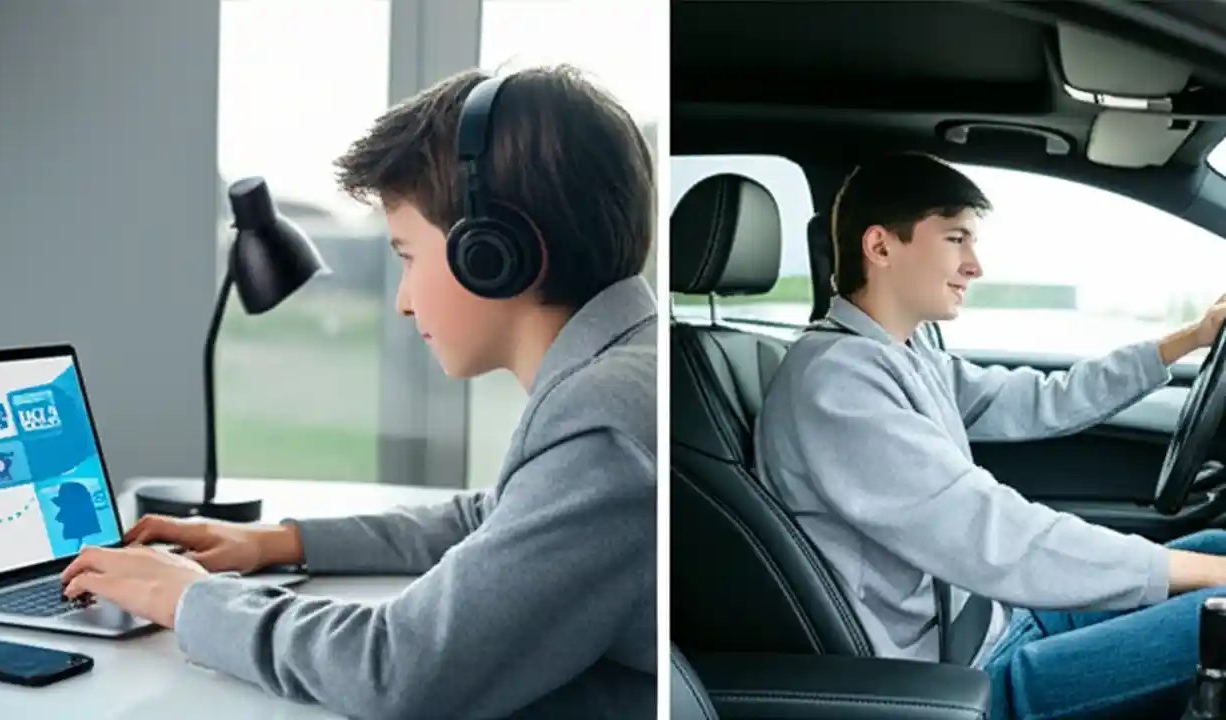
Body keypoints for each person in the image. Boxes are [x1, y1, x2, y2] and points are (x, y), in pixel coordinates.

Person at [60, 65, 656, 720]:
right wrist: (279, 541)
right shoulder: (628, 375)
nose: (403, 301)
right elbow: (490, 518)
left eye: (407, 256)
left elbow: (397, 669)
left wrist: (187, 599)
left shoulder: (605, 432)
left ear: (491, 253)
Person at [756, 151, 1226, 720]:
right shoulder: (838, 384)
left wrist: (1189, 339)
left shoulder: (901, 355)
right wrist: (1199, 575)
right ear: (880, 246)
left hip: (993, 619)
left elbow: (1043, 399)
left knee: (1215, 547)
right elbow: (989, 530)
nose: (975, 265)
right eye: (956, 239)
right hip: (961, 679)